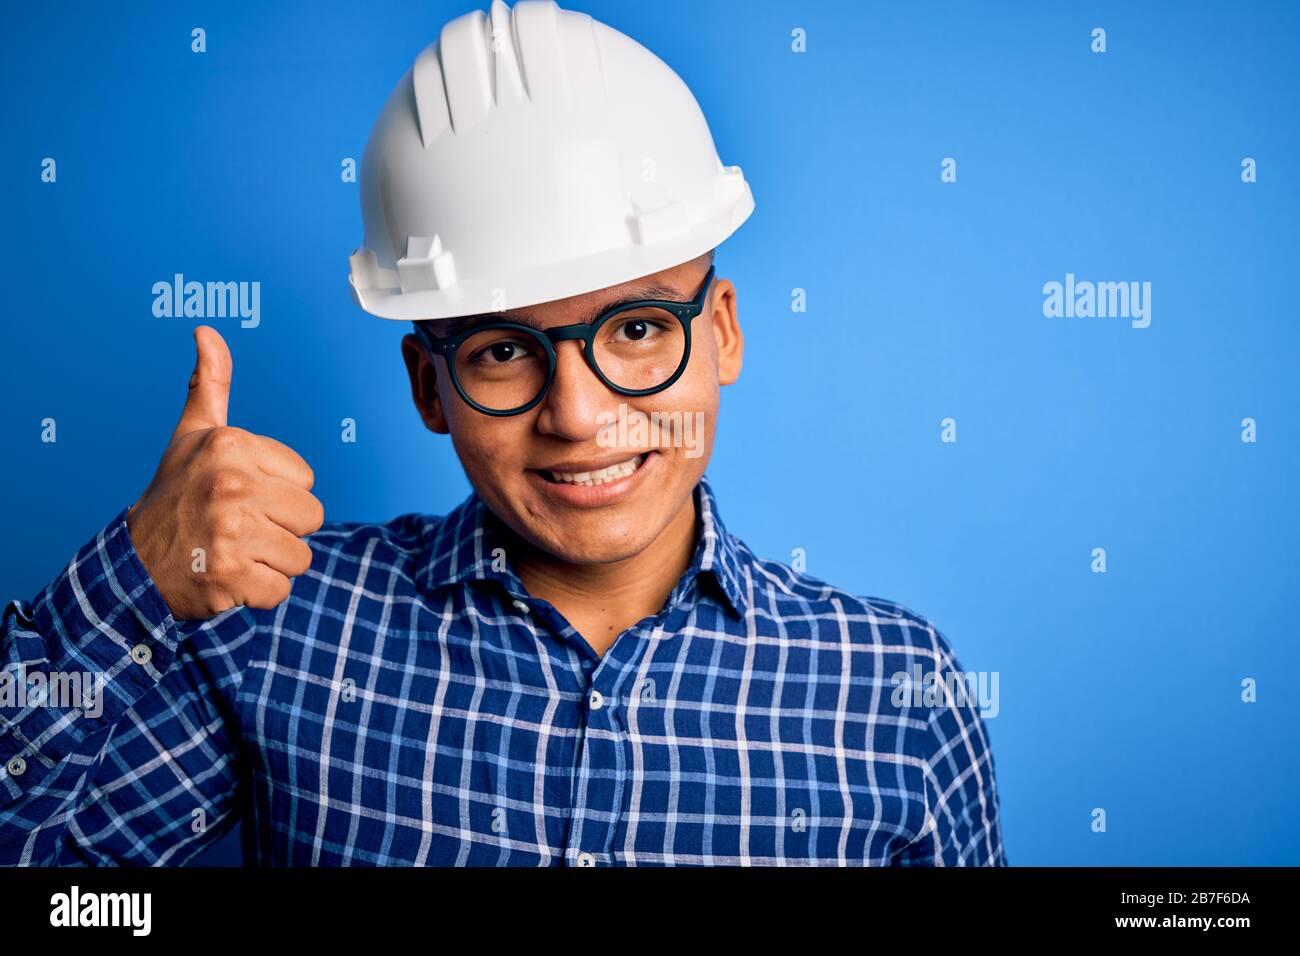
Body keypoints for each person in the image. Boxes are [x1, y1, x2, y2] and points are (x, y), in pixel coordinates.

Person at [0, 0, 1004, 866]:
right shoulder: (278, 630)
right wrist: (126, 582)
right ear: (428, 386)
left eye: (639, 327)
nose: (576, 413)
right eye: (501, 350)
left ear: (724, 332)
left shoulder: (891, 689)